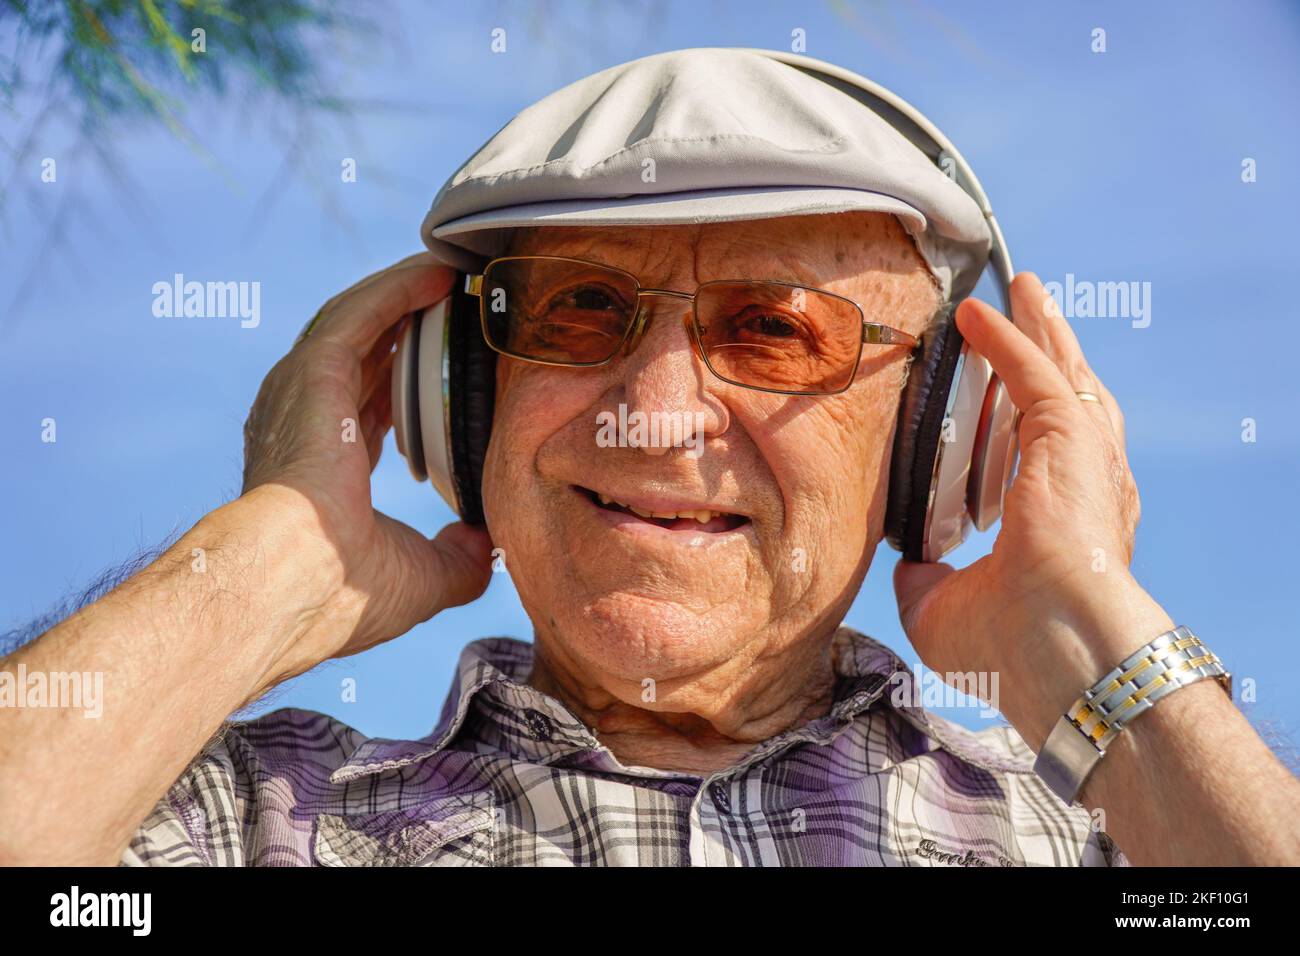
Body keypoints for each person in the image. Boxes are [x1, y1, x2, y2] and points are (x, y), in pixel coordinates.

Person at [2, 49, 1296, 867]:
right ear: (461, 396)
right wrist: (271, 555)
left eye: (775, 331)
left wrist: (1088, 635)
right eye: (578, 312)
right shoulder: (258, 827)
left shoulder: (1113, 843)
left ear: (937, 433)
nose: (661, 410)